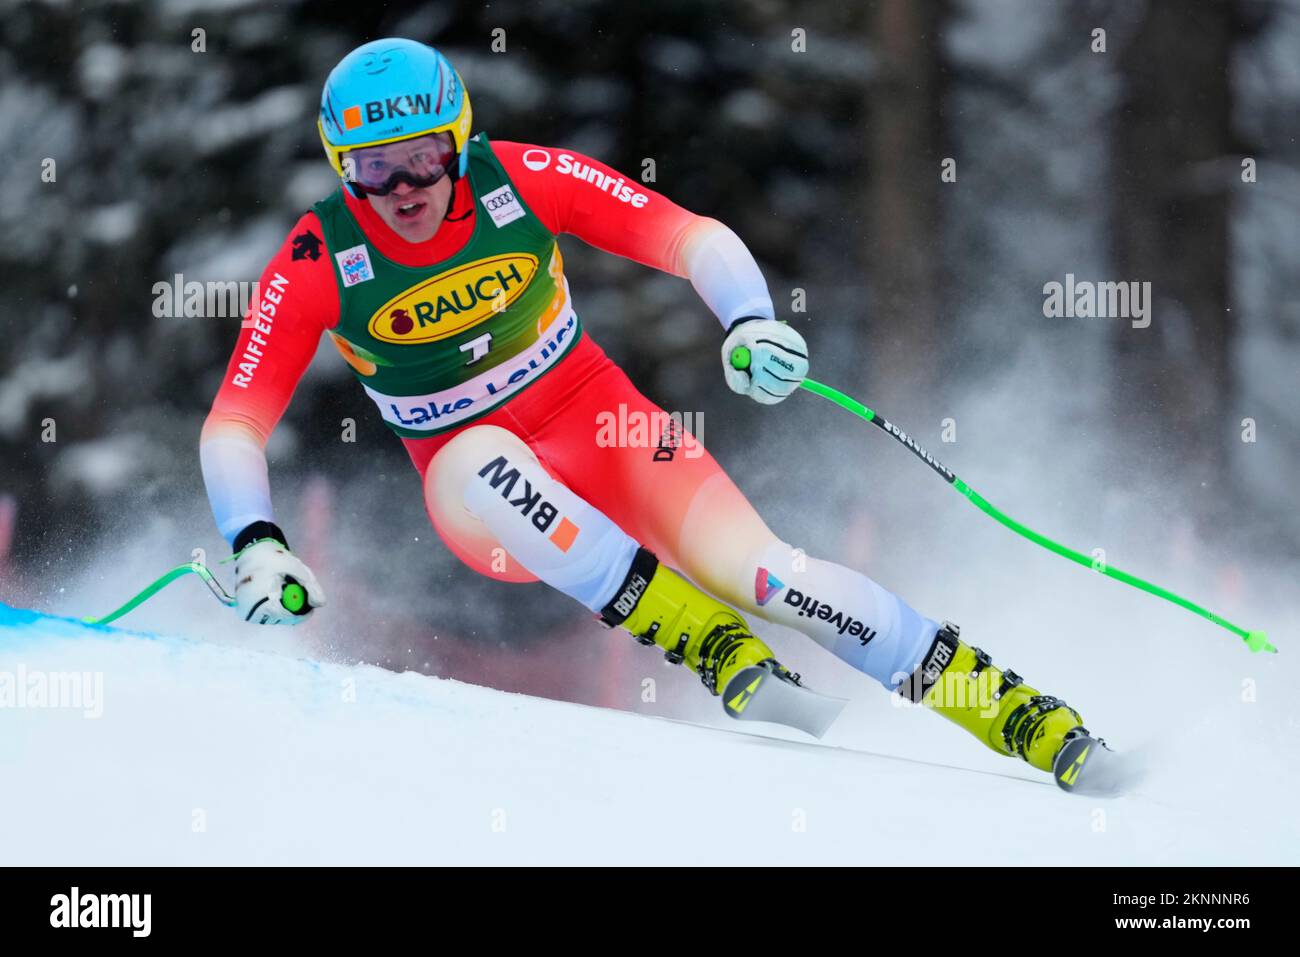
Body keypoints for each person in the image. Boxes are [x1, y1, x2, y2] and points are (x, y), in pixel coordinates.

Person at [202, 38, 1093, 777]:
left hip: (609, 429)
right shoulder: (320, 253)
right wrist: (256, 541)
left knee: (771, 576)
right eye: (373, 169)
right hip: (483, 496)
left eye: (425, 157)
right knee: (480, 460)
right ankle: (712, 645)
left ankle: (1021, 715)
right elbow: (236, 419)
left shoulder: (522, 179)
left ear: (460, 141)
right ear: (340, 168)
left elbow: (688, 235)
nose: (404, 190)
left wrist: (748, 321)